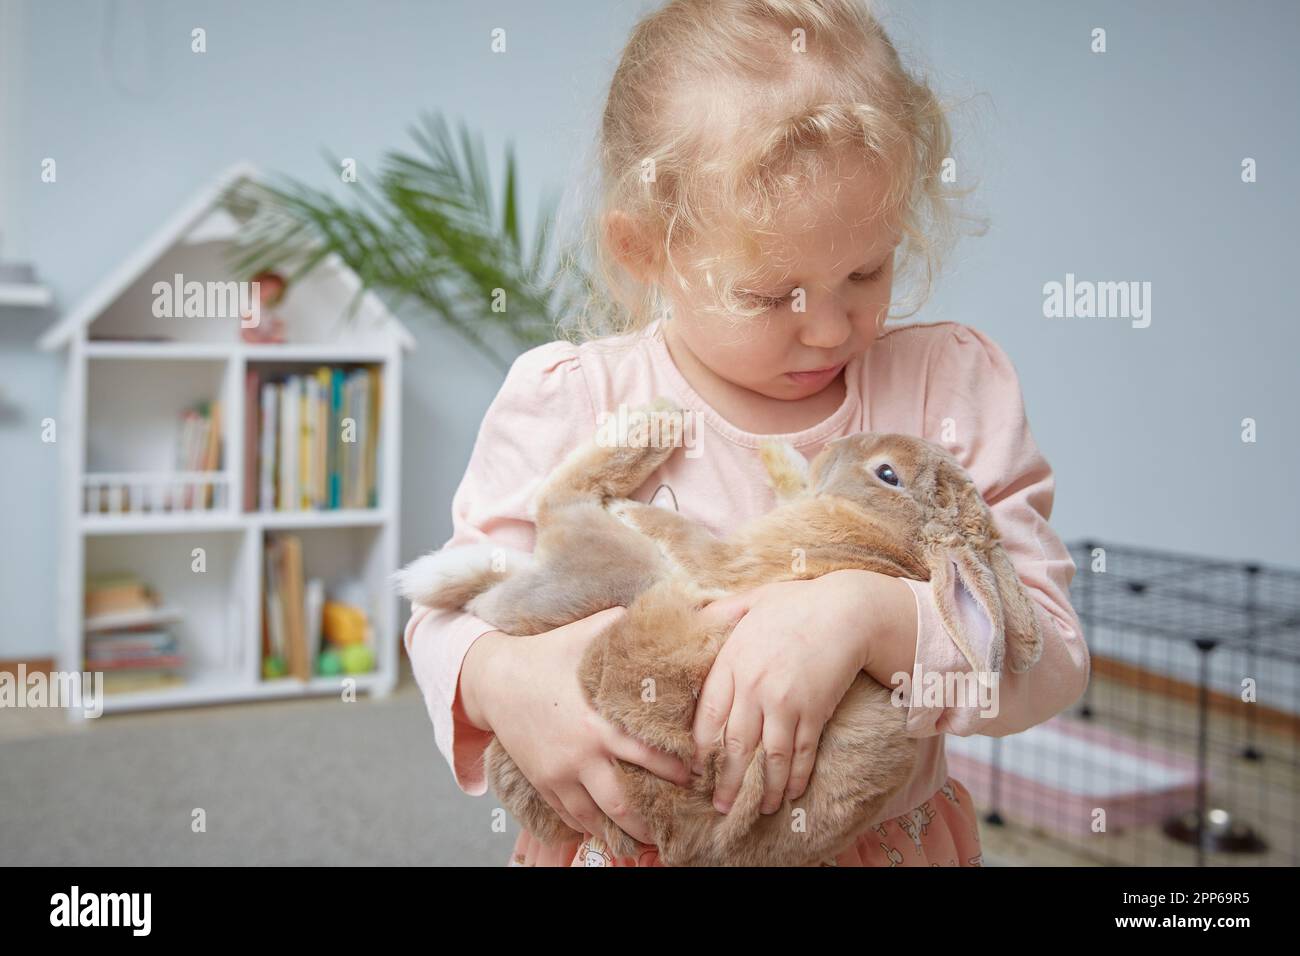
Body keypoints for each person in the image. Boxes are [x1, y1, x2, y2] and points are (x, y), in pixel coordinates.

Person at [405, 0, 1089, 867]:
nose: (831, 329)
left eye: (866, 270)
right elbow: (445, 617)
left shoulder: (947, 390)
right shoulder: (576, 398)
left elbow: (1050, 656)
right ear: (644, 251)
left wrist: (871, 617)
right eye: (770, 295)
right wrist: (504, 679)